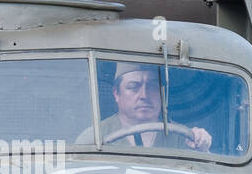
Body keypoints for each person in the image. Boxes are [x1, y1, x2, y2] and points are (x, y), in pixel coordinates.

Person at [77, 62, 212, 151]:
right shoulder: (93, 138)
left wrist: (201, 145)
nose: (144, 95)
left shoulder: (183, 138)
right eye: (133, 87)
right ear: (116, 94)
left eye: (152, 86)